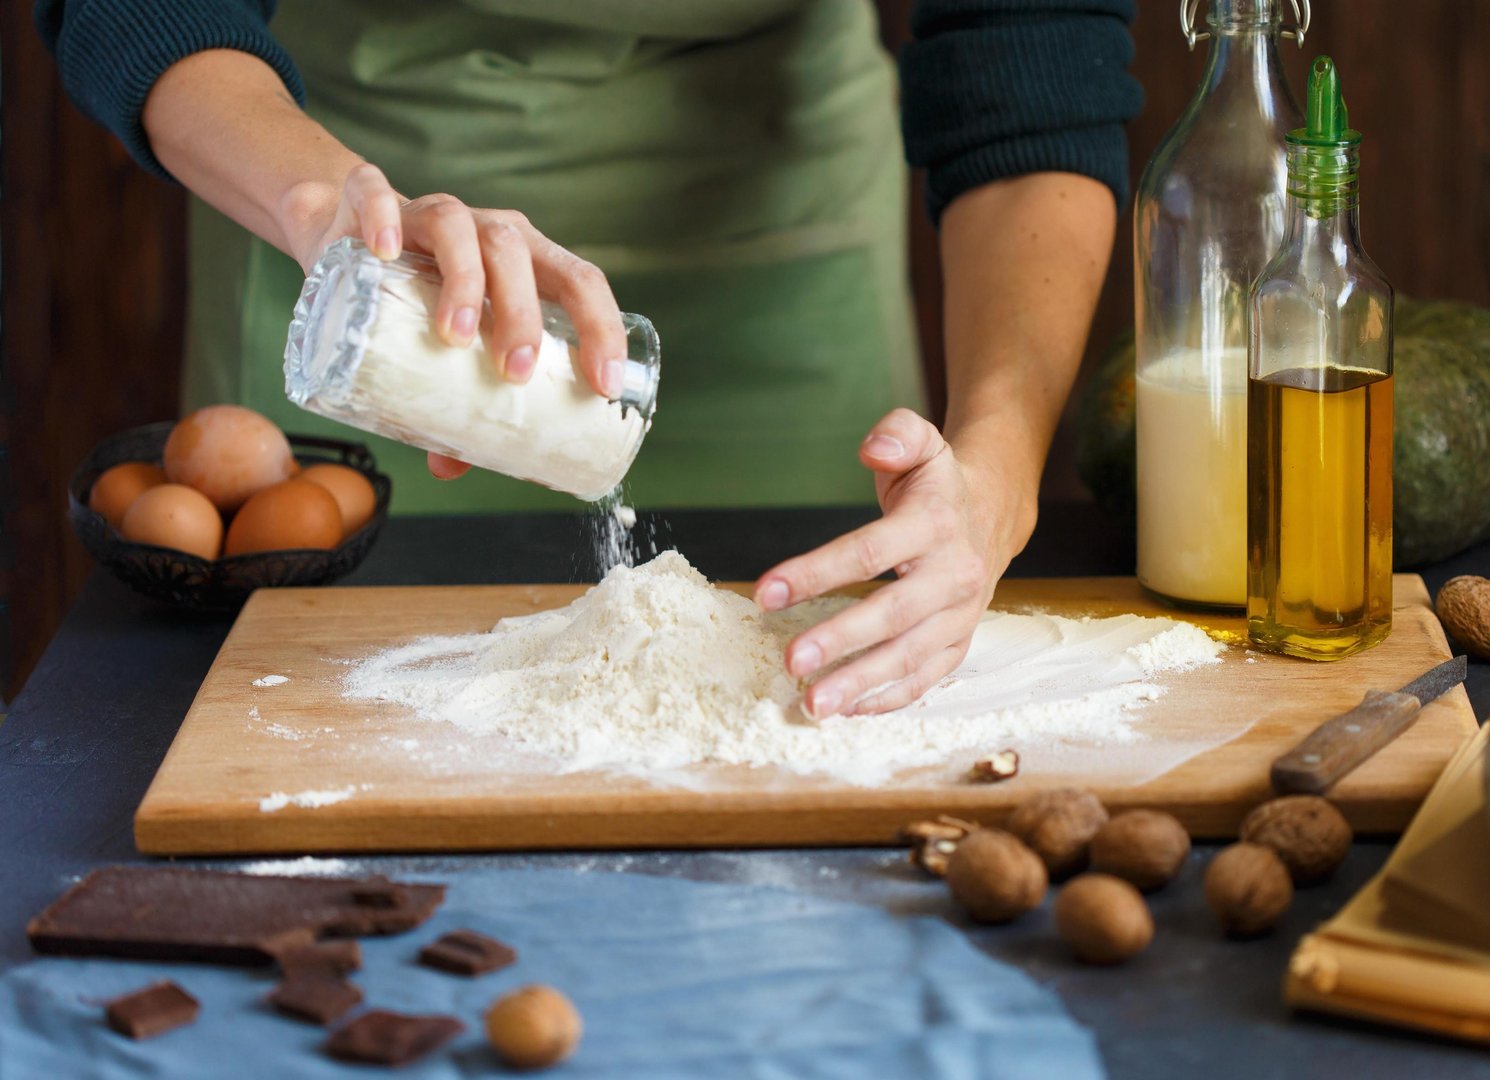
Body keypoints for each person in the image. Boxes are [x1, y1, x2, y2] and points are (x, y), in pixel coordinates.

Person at [38, 0, 1142, 717]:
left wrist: (996, 474)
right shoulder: (341, 234)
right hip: (360, 254)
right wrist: (327, 205)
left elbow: (1031, 50)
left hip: (779, 273)